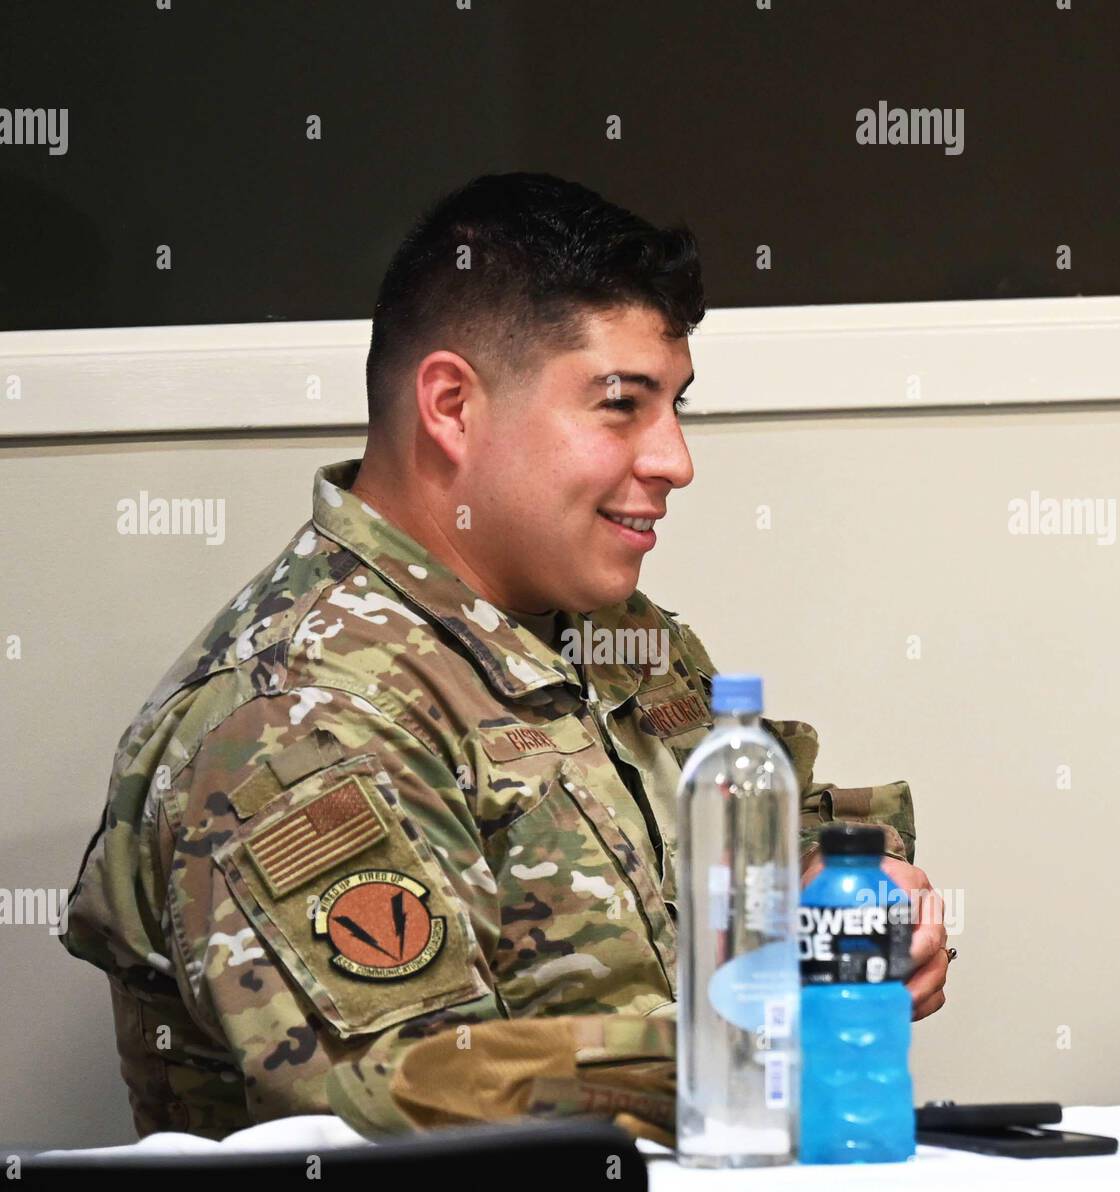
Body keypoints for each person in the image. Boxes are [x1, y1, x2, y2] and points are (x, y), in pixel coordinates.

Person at [61, 172, 948, 1143]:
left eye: (675, 406)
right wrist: (756, 1023)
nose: (674, 459)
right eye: (620, 405)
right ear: (450, 405)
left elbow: (767, 850)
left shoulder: (614, 640)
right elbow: (414, 1102)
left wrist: (860, 898)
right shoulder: (291, 717)